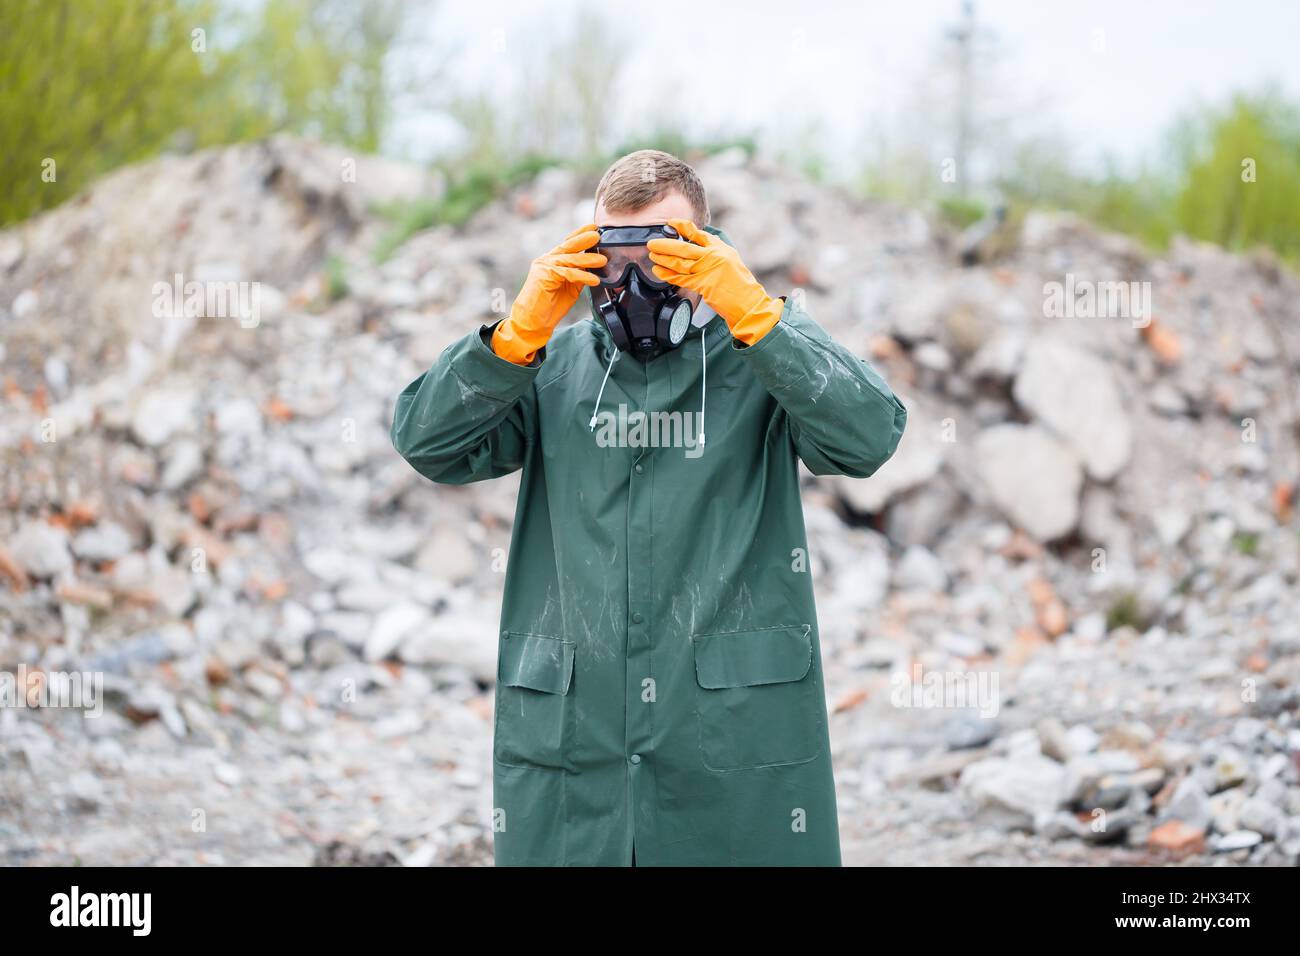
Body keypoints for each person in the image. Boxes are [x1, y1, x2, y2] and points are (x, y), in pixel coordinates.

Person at [391, 149, 908, 866]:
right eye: (614, 255)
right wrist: (512, 339)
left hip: (731, 764)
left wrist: (761, 318)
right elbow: (428, 444)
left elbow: (870, 437)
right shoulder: (549, 368)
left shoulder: (758, 357)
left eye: (661, 254)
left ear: (708, 250)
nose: (633, 282)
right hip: (577, 762)